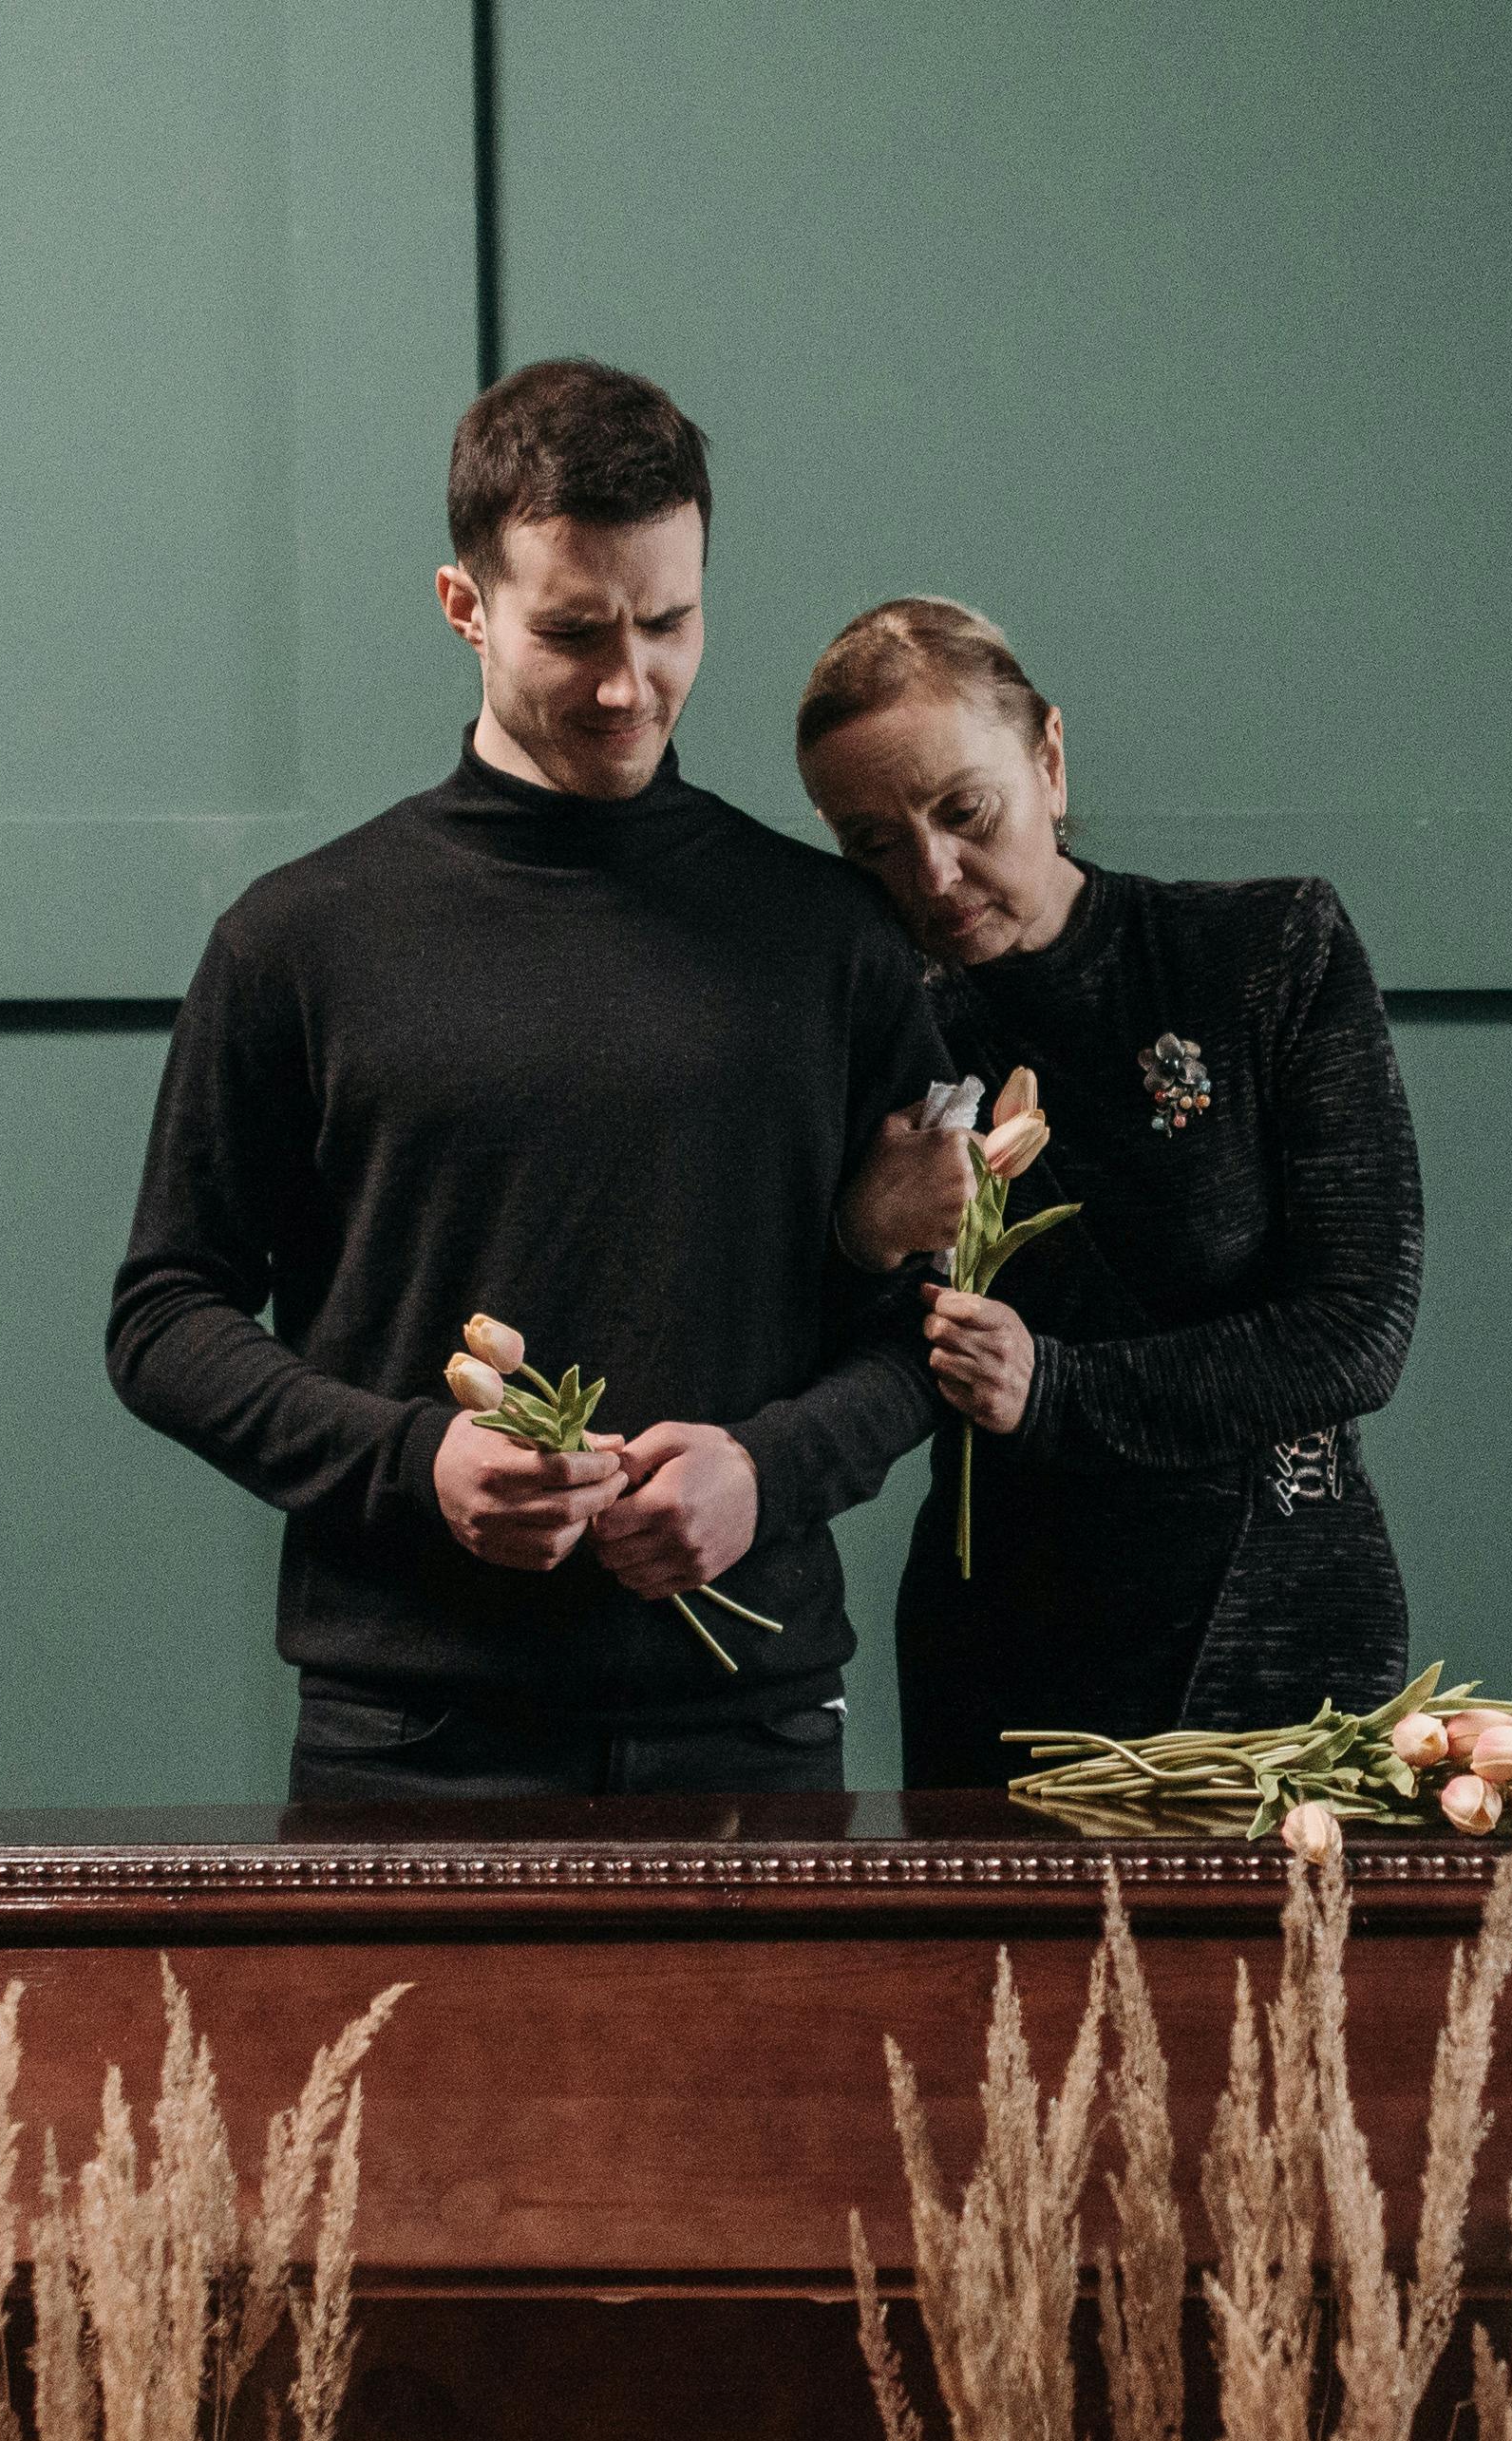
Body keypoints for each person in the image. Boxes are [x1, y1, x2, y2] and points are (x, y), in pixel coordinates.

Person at [108, 366, 947, 1804]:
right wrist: (415, 1465)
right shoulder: (296, 939)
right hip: (405, 1746)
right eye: (571, 632)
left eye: (668, 621)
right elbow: (164, 1318)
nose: (629, 682)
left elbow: (928, 1321)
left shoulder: (829, 940)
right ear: (462, 606)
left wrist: (767, 1471)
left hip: (752, 1734)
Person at [803, 597, 1426, 1792]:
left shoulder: (1263, 951)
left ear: (1046, 754)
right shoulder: (875, 1030)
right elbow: (818, 1348)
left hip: (1276, 1620)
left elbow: (1357, 1330)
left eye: (961, 810)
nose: (928, 874)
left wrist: (1055, 1387)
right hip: (1003, 1648)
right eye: (872, 842)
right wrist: (860, 1232)